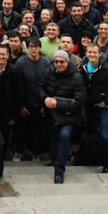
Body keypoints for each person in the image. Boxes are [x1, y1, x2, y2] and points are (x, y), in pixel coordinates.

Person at [39, 49, 86, 184]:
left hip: (68, 115)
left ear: (67, 62)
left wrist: (58, 104)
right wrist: (45, 98)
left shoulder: (76, 77)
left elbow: (79, 103)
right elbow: (40, 87)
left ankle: (59, 170)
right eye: (56, 62)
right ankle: (55, 160)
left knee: (64, 137)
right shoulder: (48, 72)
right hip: (52, 114)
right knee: (53, 137)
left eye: (62, 62)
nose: (59, 64)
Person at [80, 42, 108, 174]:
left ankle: (107, 164)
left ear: (100, 54)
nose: (92, 55)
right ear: (86, 53)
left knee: (105, 136)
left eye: (94, 52)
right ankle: (91, 157)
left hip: (102, 107)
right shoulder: (82, 68)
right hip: (88, 106)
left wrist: (106, 102)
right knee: (90, 133)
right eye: (89, 52)